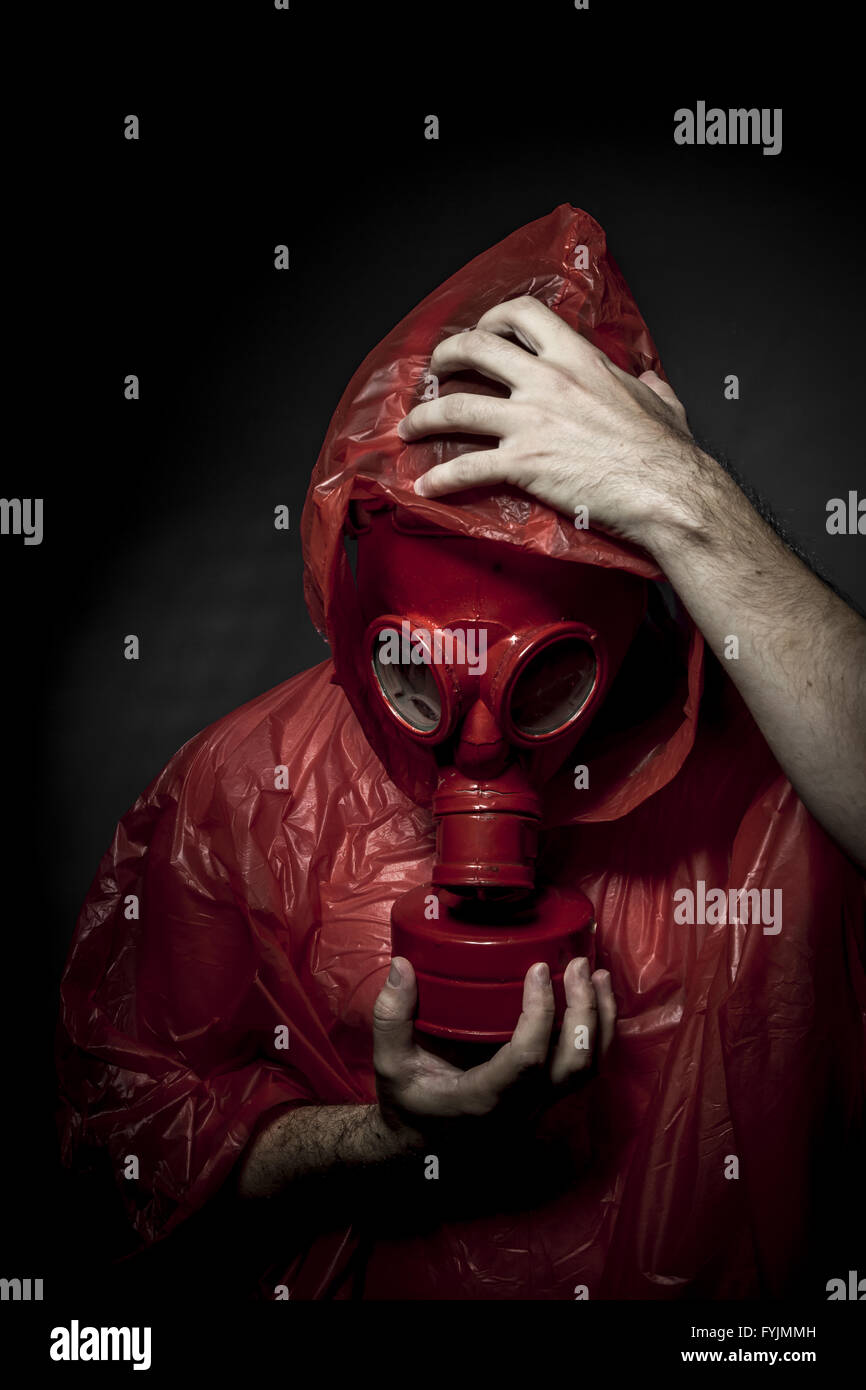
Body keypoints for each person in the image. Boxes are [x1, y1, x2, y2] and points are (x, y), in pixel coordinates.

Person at [57, 205, 866, 1300]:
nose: (477, 736)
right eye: (417, 669)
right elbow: (125, 1146)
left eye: (545, 674)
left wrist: (688, 497)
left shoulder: (787, 771)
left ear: (642, 590)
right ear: (353, 592)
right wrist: (376, 1143)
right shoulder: (247, 790)